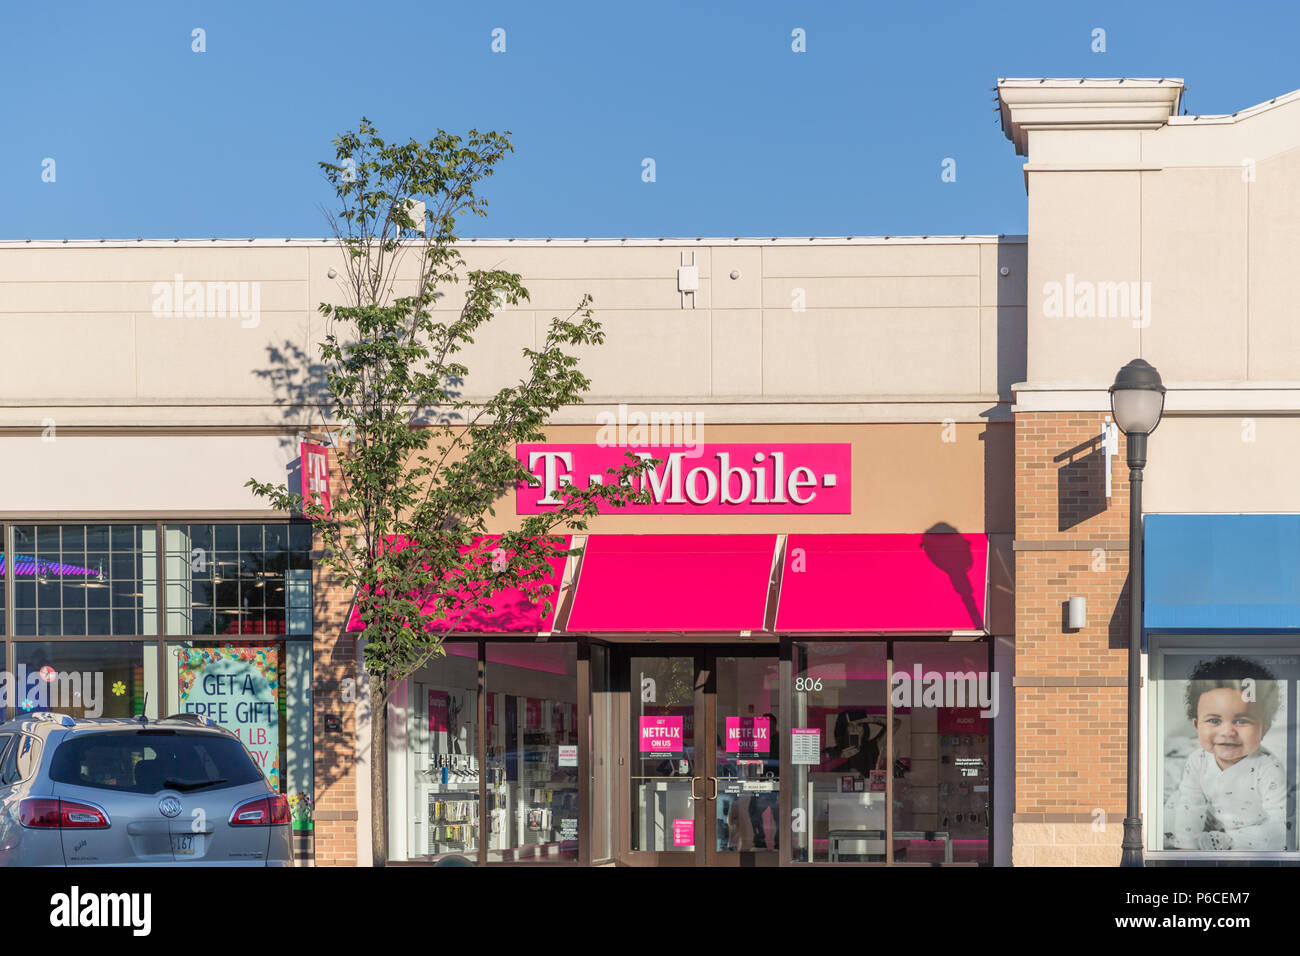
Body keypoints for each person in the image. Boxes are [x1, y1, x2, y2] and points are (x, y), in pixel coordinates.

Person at [1170, 656, 1286, 851]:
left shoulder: (1268, 768)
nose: (1227, 732)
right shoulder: (1197, 761)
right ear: (1197, 726)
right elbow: (1191, 804)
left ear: (1264, 729)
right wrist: (1187, 847)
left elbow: (1278, 825)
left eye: (1241, 721)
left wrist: (1231, 841)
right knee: (1176, 810)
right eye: (1214, 721)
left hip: (1253, 830)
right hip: (1212, 822)